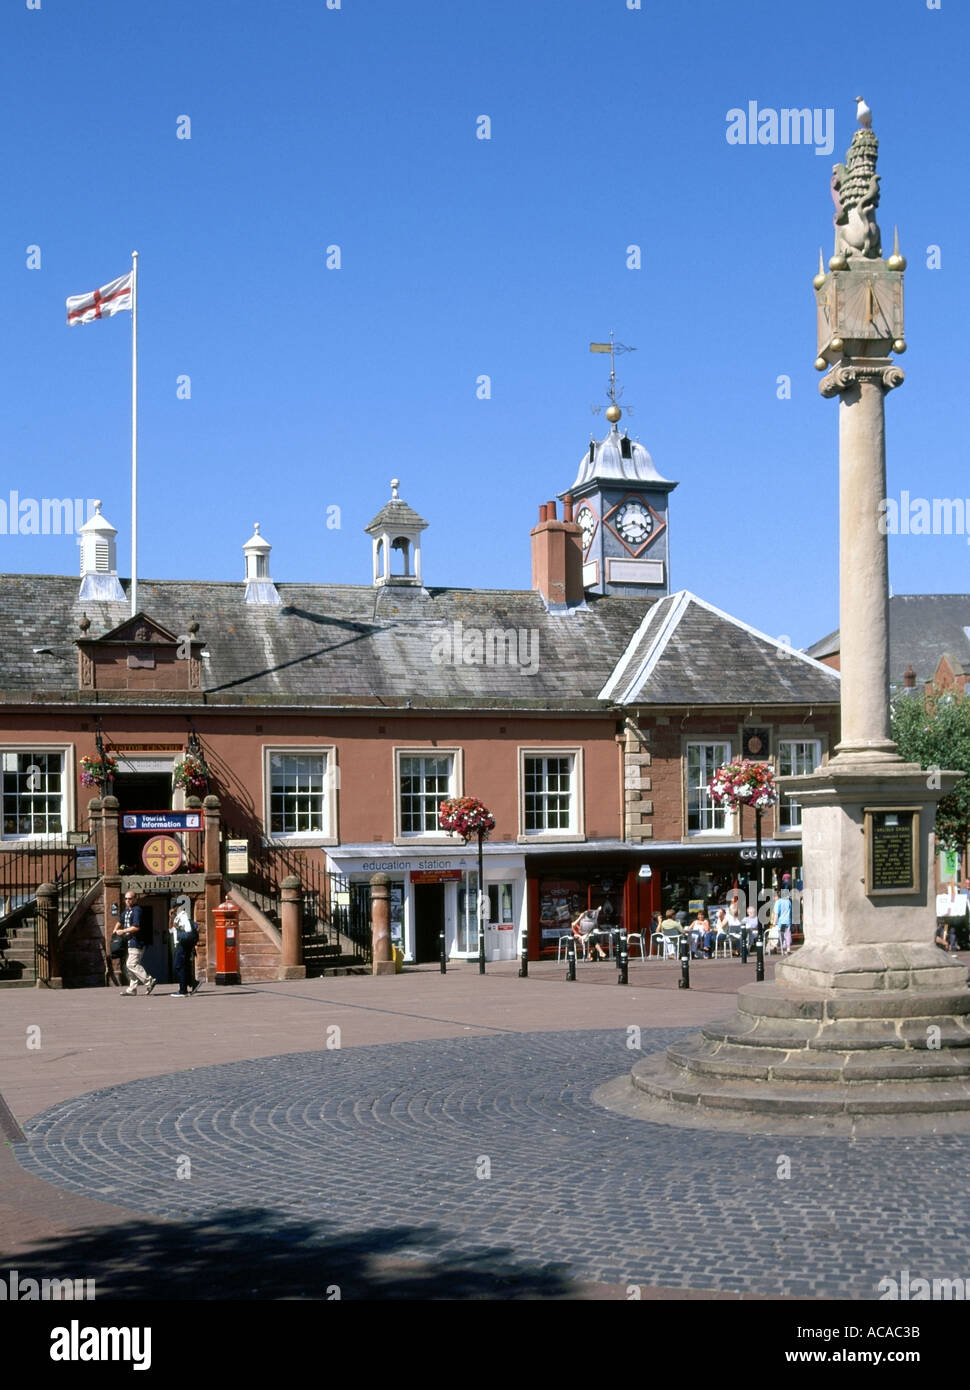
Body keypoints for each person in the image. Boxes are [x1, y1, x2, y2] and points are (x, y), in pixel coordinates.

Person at [117, 892, 155, 996]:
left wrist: (123, 931)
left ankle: (149, 980)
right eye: (126, 899)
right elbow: (120, 920)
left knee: (131, 964)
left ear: (135, 899)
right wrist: (115, 930)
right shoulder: (127, 911)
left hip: (136, 942)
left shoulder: (137, 910)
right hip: (129, 943)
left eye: (130, 899)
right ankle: (132, 989)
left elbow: (136, 927)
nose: (127, 901)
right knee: (128, 967)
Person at [169, 898, 201, 997]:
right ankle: (193, 983)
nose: (177, 908)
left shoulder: (183, 915)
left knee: (179, 966)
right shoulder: (176, 918)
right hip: (181, 943)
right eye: (176, 907)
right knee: (184, 965)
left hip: (183, 944)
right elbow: (171, 930)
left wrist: (177, 926)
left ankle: (183, 990)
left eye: (178, 907)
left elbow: (187, 929)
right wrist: (170, 918)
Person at [773, 874, 793, 955]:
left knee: (781, 934)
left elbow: (776, 913)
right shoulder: (788, 901)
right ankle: (788, 948)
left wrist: (774, 922)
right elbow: (790, 911)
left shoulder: (778, 902)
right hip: (788, 921)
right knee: (787, 934)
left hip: (781, 922)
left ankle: (778, 947)